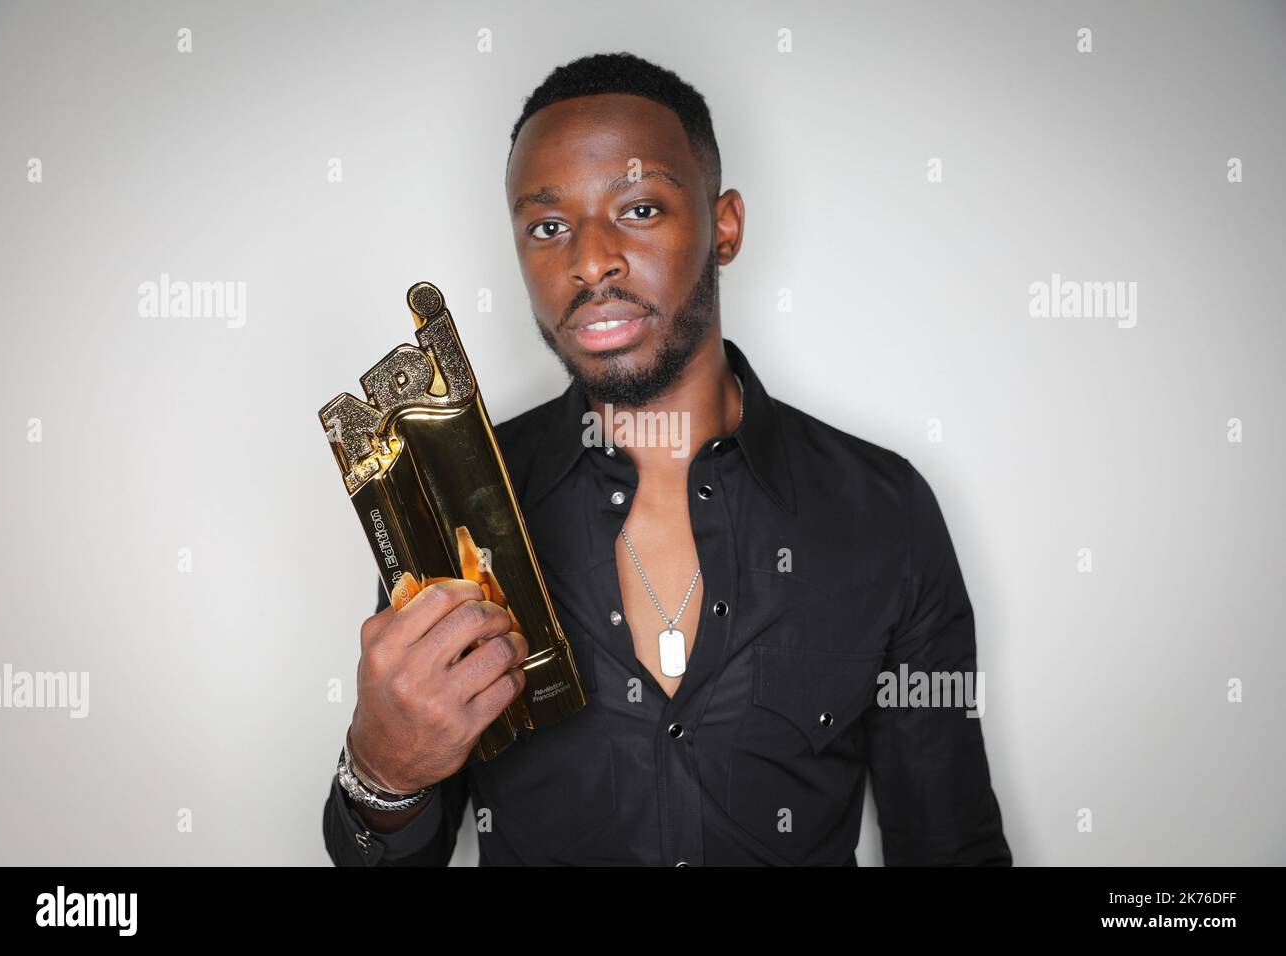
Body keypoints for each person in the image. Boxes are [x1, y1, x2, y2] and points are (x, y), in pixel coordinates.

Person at [323, 51, 1012, 866]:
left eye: (640, 209)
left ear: (725, 227)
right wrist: (381, 772)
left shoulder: (883, 511)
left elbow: (950, 846)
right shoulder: (450, 504)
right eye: (548, 227)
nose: (588, 261)